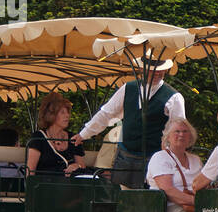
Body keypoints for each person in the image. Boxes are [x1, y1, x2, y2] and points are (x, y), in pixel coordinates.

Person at [77, 58, 182, 187]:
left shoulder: (174, 97)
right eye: (152, 70)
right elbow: (106, 113)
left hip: (154, 158)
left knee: (150, 198)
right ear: (142, 69)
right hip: (126, 156)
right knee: (122, 199)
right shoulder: (128, 88)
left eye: (160, 70)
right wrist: (83, 134)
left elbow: (180, 131)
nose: (157, 73)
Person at [27, 93, 86, 175]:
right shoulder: (38, 138)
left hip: (69, 185)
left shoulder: (73, 138)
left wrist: (77, 166)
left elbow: (82, 166)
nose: (67, 116)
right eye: (62, 112)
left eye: (68, 112)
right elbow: (30, 171)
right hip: (44, 185)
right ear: (51, 115)